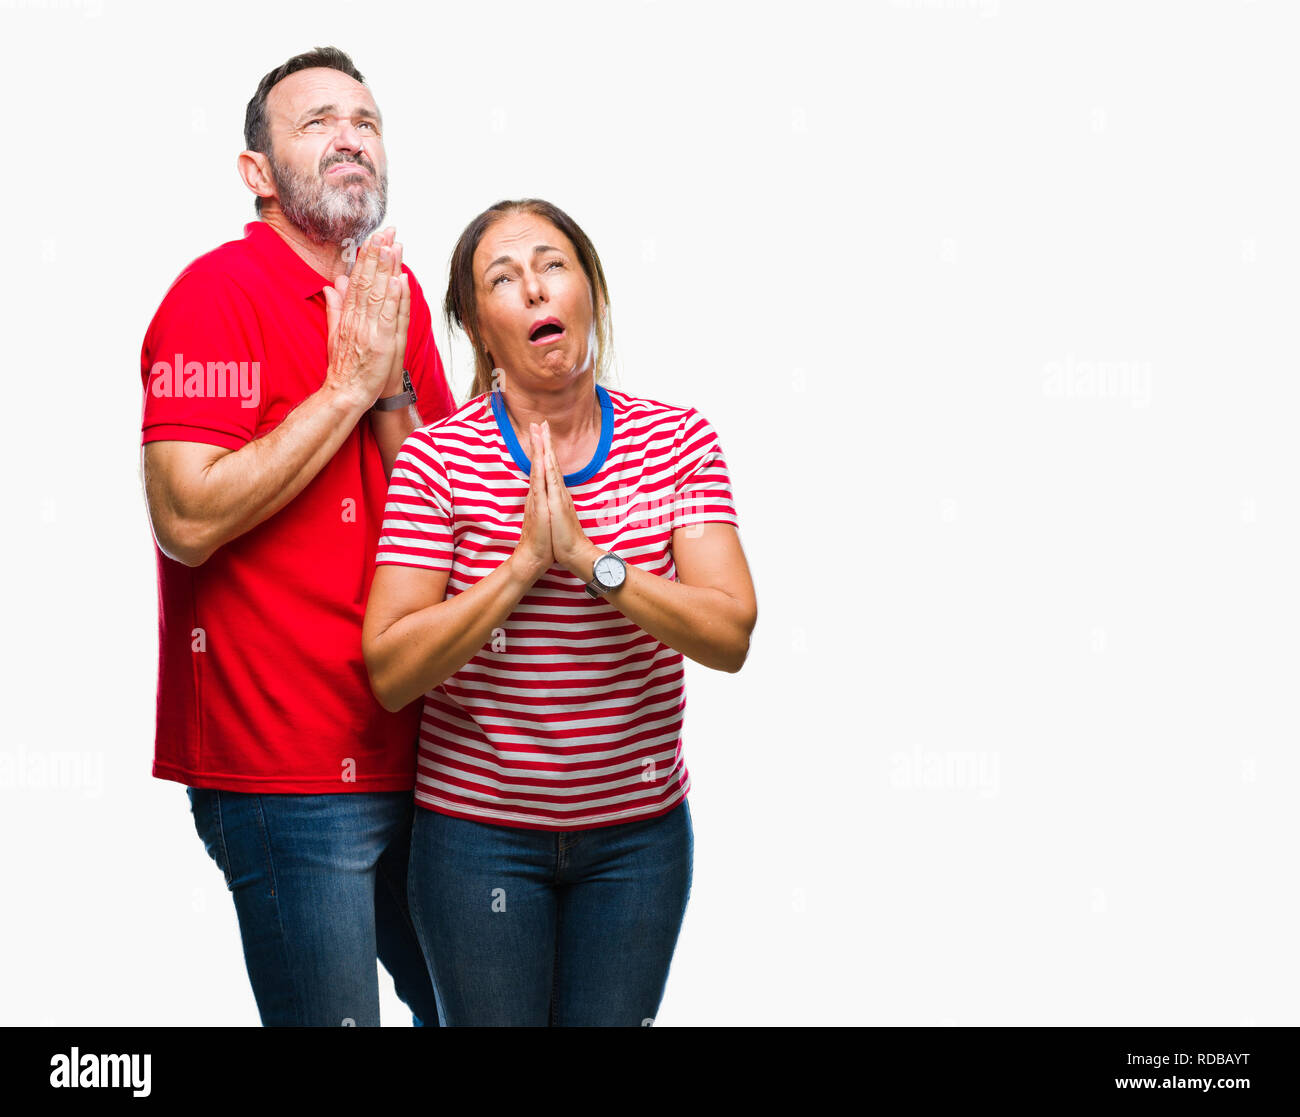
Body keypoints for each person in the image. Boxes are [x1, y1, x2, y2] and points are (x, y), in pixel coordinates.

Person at [362, 198, 759, 1025]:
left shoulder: (678, 441)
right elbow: (392, 669)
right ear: (478, 329)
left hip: (638, 840)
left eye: (553, 265)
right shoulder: (439, 459)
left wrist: (592, 562)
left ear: (592, 293)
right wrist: (519, 570)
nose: (536, 289)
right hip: (476, 840)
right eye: (503, 280)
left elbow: (730, 632)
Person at [138, 47, 452, 1026]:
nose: (350, 134)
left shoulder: (393, 302)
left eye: (365, 119)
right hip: (287, 772)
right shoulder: (214, 295)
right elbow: (187, 519)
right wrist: (346, 388)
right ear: (258, 174)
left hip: (430, 755)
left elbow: (444, 511)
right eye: (316, 121)